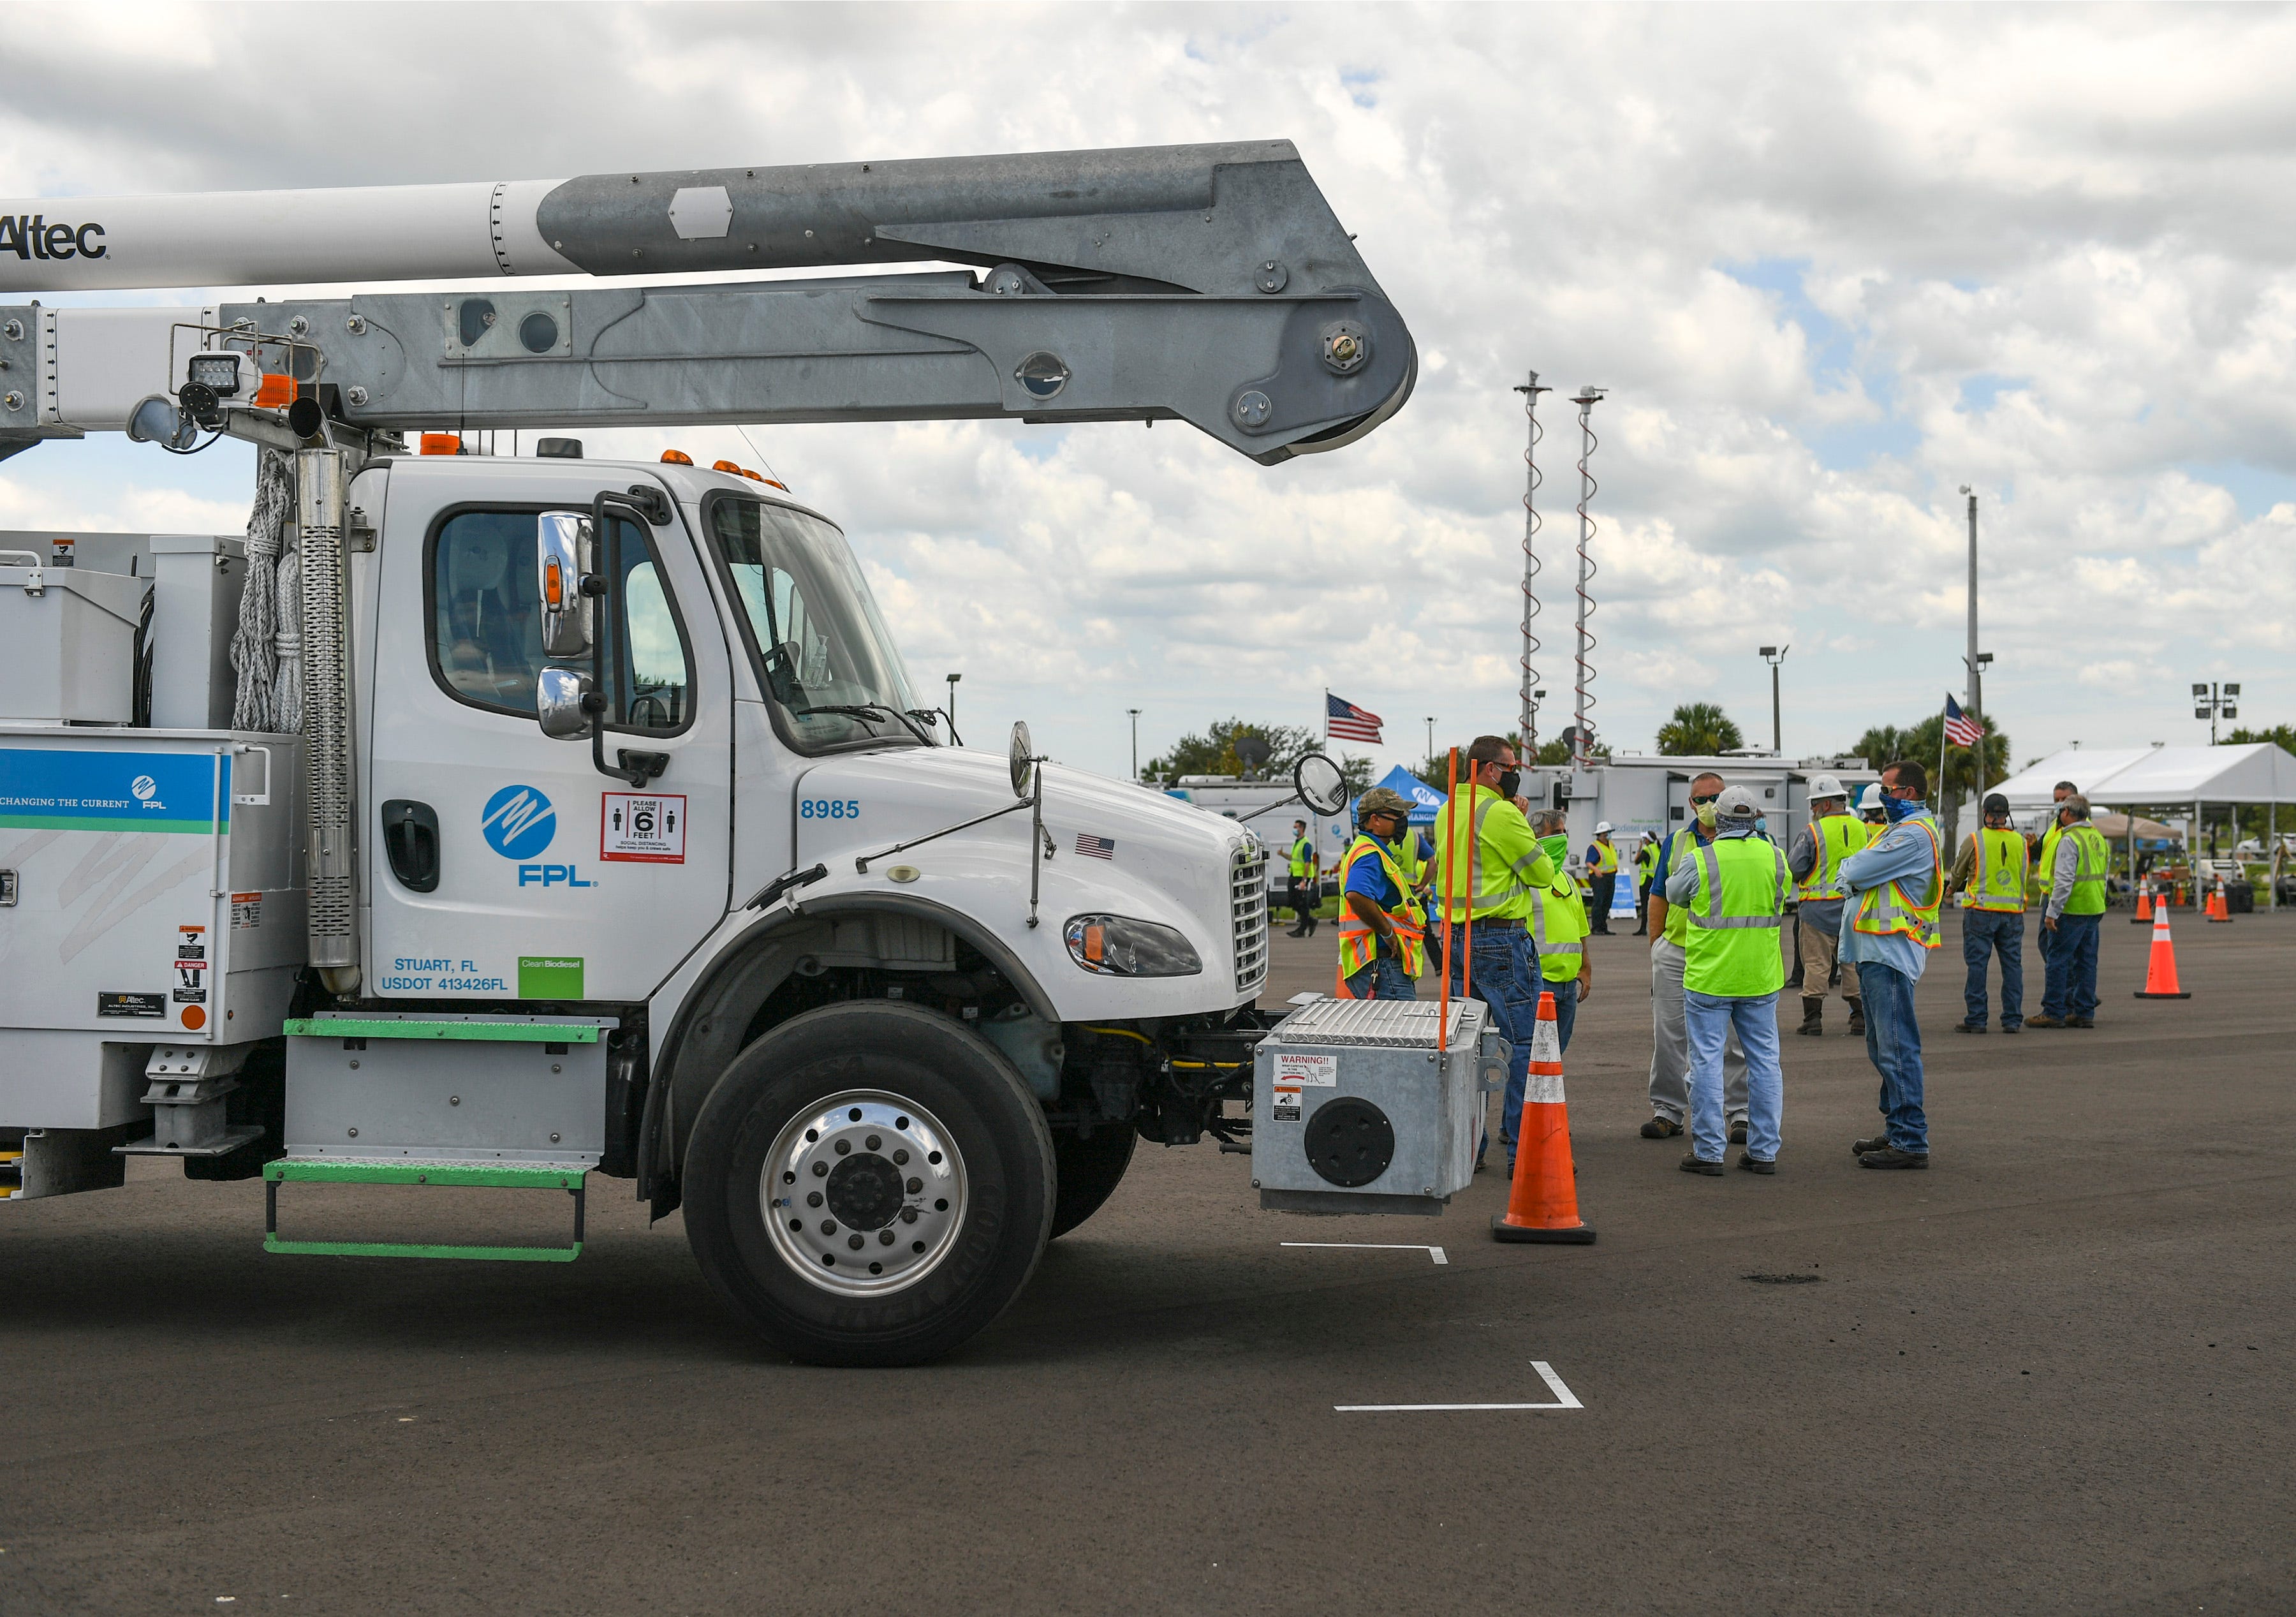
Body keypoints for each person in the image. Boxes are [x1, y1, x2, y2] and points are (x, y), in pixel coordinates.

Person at [1430, 735, 1557, 1174]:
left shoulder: (1450, 809)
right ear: (1488, 769)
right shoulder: (1501, 812)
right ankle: (1524, 1150)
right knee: (1524, 1042)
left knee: (1468, 1044)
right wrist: (1521, 821)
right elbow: (1542, 872)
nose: (1515, 774)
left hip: (1458, 938)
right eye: (1510, 767)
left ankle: (1471, 1147)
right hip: (1501, 940)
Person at [1667, 786, 1789, 1174]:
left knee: (1706, 1062)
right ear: (1756, 821)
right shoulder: (1776, 857)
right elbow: (1783, 897)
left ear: (1718, 819)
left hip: (1710, 978)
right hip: (1760, 977)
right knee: (1765, 1063)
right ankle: (1763, 1151)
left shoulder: (1702, 858)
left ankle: (1708, 1152)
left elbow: (1673, 895)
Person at [1839, 758, 1945, 1169]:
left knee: (1897, 1047)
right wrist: (1852, 873)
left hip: (1890, 955)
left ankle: (1910, 1139)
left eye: (1889, 789)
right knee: (1883, 1048)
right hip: (1874, 953)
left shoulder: (1913, 835)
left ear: (1910, 794)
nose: (1882, 797)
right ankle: (1897, 1127)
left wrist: (1851, 873)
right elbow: (1853, 872)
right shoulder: (1896, 831)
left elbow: (1856, 869)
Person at [1642, 771, 1750, 1144]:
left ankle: (1740, 1114)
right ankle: (1668, 1111)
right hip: (1678, 951)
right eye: (1701, 799)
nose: (1708, 806)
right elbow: (1658, 894)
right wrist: (1657, 943)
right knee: (1670, 1034)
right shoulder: (1677, 842)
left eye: (1715, 797)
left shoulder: (1752, 841)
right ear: (1691, 804)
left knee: (1734, 1040)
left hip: (1727, 952)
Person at [1787, 774, 1867, 1037]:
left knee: (1816, 964)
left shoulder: (1813, 831)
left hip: (1817, 910)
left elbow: (1795, 868)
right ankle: (1859, 1017)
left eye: (1814, 804)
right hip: (1854, 907)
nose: (1812, 810)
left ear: (1824, 804)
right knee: (1853, 963)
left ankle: (1813, 1019)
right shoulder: (1862, 829)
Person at [1948, 792, 2027, 1034]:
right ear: (2006, 815)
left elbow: (1959, 871)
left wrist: (1951, 887)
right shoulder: (2021, 842)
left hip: (1981, 911)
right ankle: (2012, 1019)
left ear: (1985, 814)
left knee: (1977, 966)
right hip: (2013, 912)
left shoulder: (1975, 840)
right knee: (2013, 966)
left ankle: (1977, 1018)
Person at [1334, 788, 1424, 1001]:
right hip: (1382, 962)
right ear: (1375, 819)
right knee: (1400, 1029)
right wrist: (1387, 933)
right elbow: (1355, 894)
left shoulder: (1367, 850)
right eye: (1397, 815)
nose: (1403, 820)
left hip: (1378, 962)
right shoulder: (1370, 855)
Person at [2030, 794, 2110, 1029]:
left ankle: (2054, 1011)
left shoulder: (2069, 839)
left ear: (2067, 813)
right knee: (2087, 962)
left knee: (2057, 960)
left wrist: (2052, 912)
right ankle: (2084, 1011)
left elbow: (2064, 880)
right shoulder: (2097, 837)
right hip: (2094, 907)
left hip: (2072, 909)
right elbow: (2103, 876)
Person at [1528, 808, 1593, 1051]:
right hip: (1538, 982)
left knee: (1556, 1054)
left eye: (1565, 832)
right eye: (1556, 833)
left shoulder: (1567, 880)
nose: (1563, 838)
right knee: (1535, 1054)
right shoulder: (1525, 879)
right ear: (1535, 837)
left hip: (1568, 984)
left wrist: (1586, 967)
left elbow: (1580, 929)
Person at [2029, 779, 2079, 978]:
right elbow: (2041, 852)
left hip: (2067, 894)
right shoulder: (2054, 826)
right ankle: (2073, 987)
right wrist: (2033, 846)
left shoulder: (2079, 829)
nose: (2060, 803)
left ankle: (2073, 989)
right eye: (2056, 799)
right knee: (2045, 944)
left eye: (2064, 799)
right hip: (2050, 893)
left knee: (2061, 948)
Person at [1283, 819, 1320, 938]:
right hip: (1294, 875)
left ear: (1302, 829)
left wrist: (1304, 881)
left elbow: (1308, 863)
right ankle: (1310, 921)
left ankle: (1302, 929)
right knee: (1292, 902)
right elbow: (1294, 859)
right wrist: (1282, 854)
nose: (1294, 829)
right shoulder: (1297, 842)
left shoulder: (1306, 844)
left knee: (1302, 903)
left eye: (1296, 827)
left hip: (1302, 877)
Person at [1584, 822, 1621, 934]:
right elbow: (1588, 862)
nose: (1608, 835)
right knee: (1599, 902)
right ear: (1600, 835)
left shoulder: (1611, 845)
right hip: (1599, 877)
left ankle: (1603, 927)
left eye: (1608, 833)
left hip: (1610, 876)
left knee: (1607, 902)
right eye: (1606, 834)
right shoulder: (1594, 847)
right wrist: (1596, 870)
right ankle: (1596, 927)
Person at [1633, 832, 1659, 936]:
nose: (1643, 840)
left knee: (1645, 905)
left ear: (1647, 840)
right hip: (1656, 879)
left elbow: (1636, 861)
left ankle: (1643, 928)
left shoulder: (1646, 850)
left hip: (1646, 880)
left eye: (1644, 839)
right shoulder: (1657, 848)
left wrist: (1639, 848)